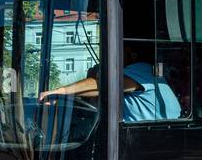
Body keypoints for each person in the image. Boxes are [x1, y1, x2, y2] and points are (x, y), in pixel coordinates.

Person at [40, 46, 181, 122]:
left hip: (152, 139)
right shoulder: (126, 86)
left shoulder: (142, 69)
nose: (109, 57)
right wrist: (62, 99)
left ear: (131, 54)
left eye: (117, 50)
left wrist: (60, 91)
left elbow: (104, 84)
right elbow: (97, 97)